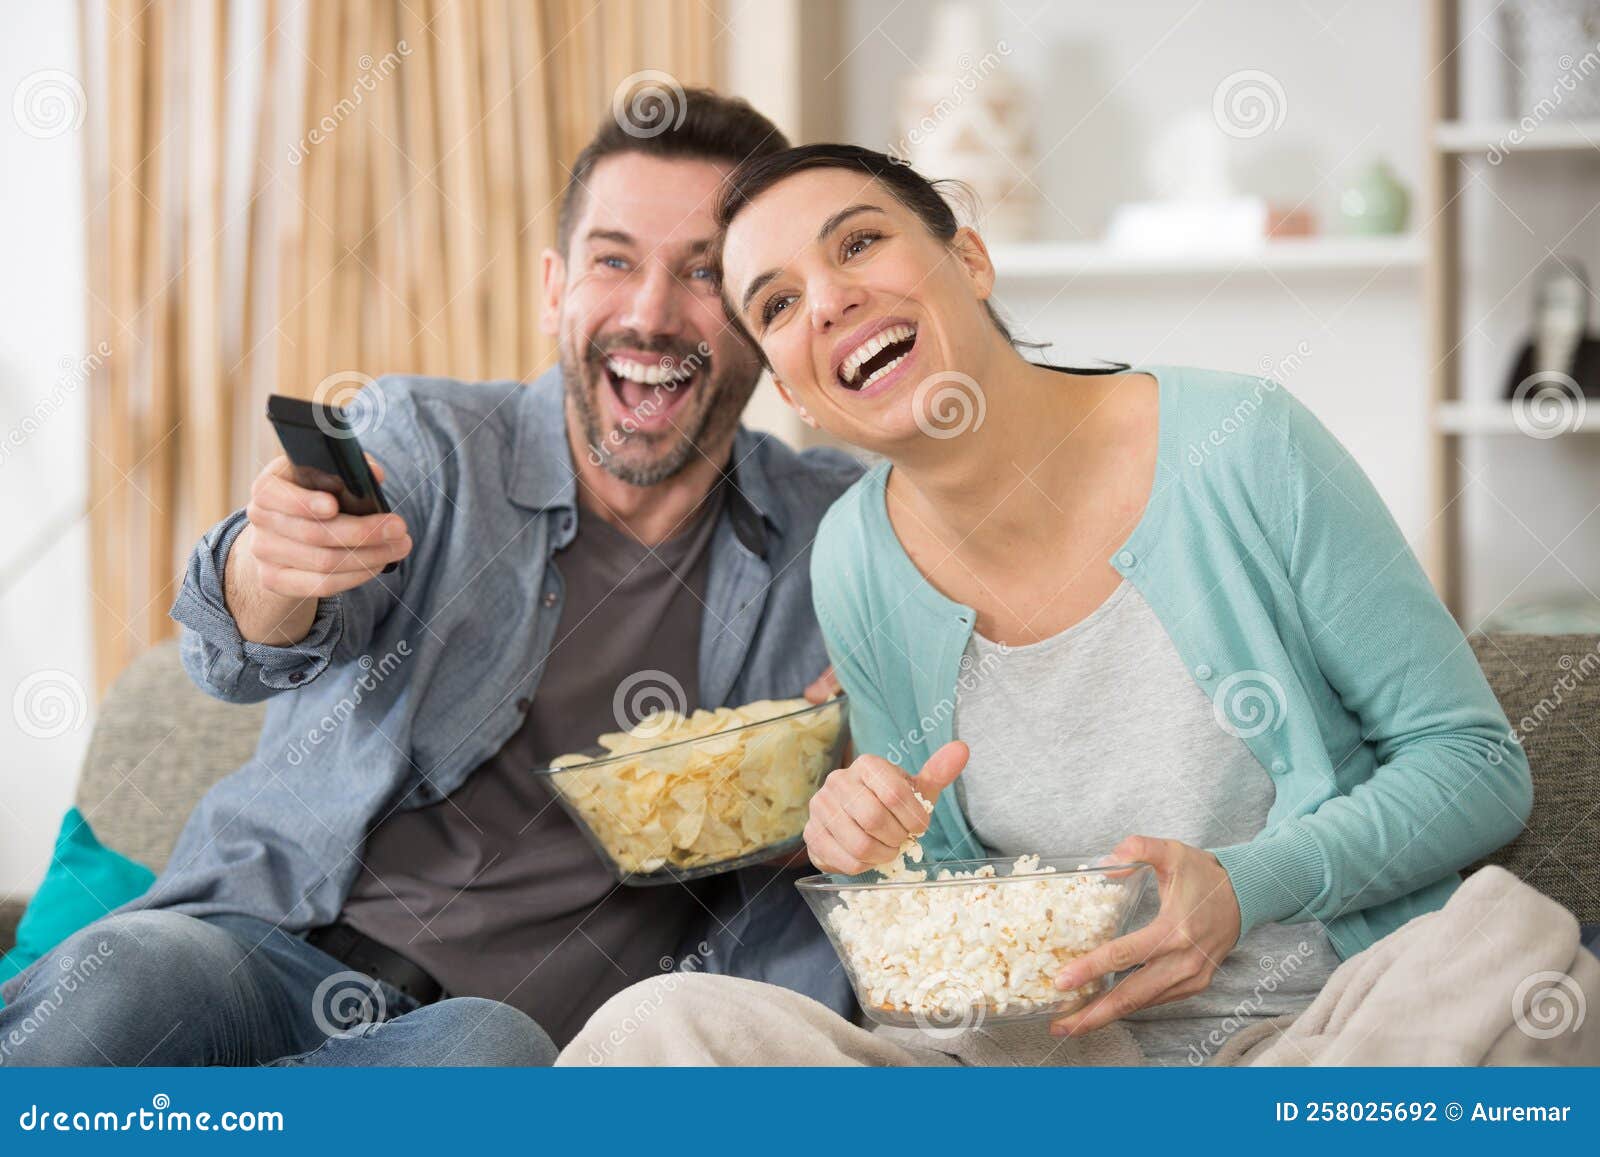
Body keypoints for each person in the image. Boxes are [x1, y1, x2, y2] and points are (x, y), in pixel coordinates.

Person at [559, 144, 1533, 1067]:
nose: (830, 300)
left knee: (1519, 966)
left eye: (858, 242)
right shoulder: (857, 555)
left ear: (969, 258)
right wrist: (873, 853)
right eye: (777, 303)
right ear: (797, 394)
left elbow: (1476, 764)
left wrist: (1247, 886)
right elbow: (939, 899)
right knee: (651, 1030)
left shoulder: (1242, 444)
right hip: (1038, 1073)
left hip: (1312, 1038)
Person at [0, 95, 861, 1067]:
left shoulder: (834, 533)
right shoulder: (431, 442)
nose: (650, 314)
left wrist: (865, 743)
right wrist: (271, 568)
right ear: (554, 288)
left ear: (764, 306)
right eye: (613, 260)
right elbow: (249, 640)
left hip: (489, 1034)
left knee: (482, 1050)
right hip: (266, 946)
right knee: (122, 968)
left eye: (703, 273)